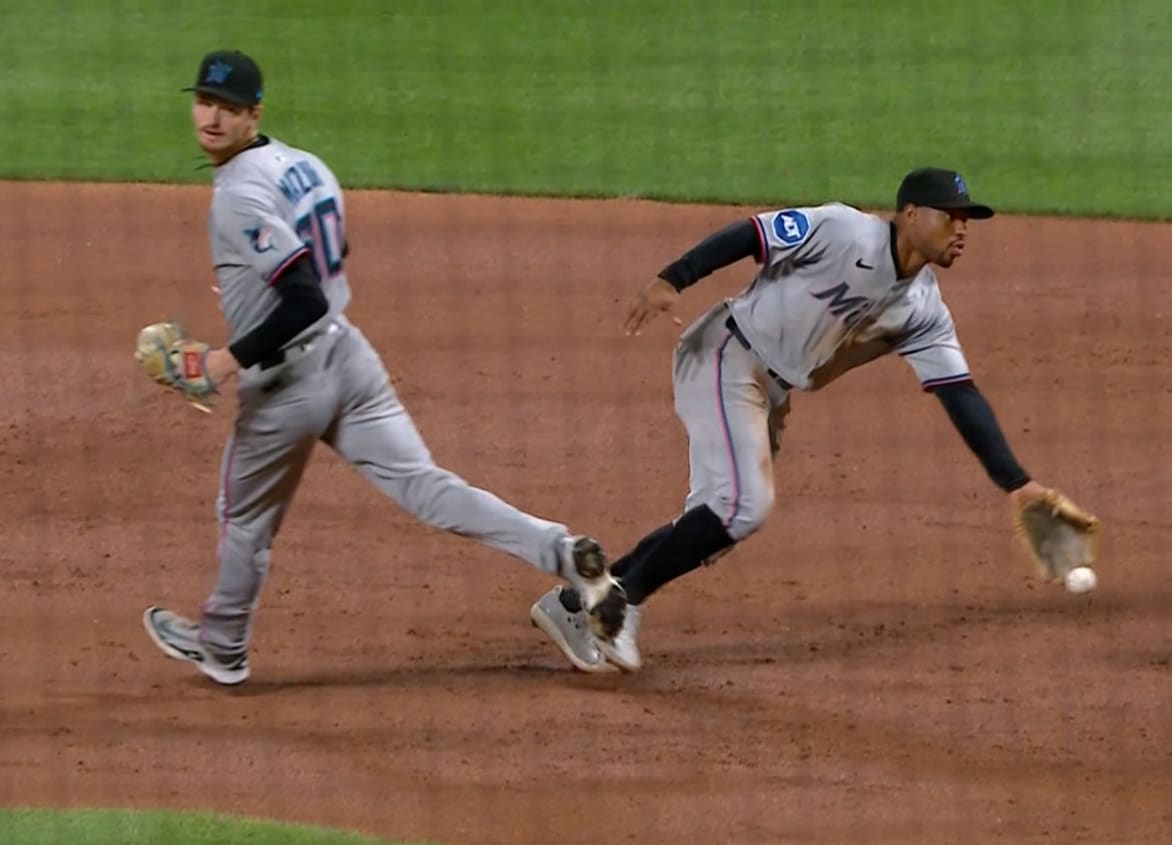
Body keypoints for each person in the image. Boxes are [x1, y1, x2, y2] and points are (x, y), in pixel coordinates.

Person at [141, 49, 624, 686]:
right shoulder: (305, 166)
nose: (211, 116)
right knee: (427, 485)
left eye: (228, 108)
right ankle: (562, 552)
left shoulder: (238, 196)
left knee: (245, 518)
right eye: (205, 101)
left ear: (254, 113)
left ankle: (223, 646)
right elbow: (327, 261)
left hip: (288, 387)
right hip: (350, 359)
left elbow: (304, 295)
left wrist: (225, 359)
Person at [529, 167, 1064, 674]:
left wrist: (1017, 483)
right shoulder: (843, 230)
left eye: (967, 219)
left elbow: (960, 394)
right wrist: (673, 277)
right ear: (909, 214)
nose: (961, 228)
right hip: (726, 354)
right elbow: (752, 235)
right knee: (744, 505)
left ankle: (578, 601)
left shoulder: (923, 310)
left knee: (715, 522)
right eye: (951, 215)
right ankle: (620, 605)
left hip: (770, 392)